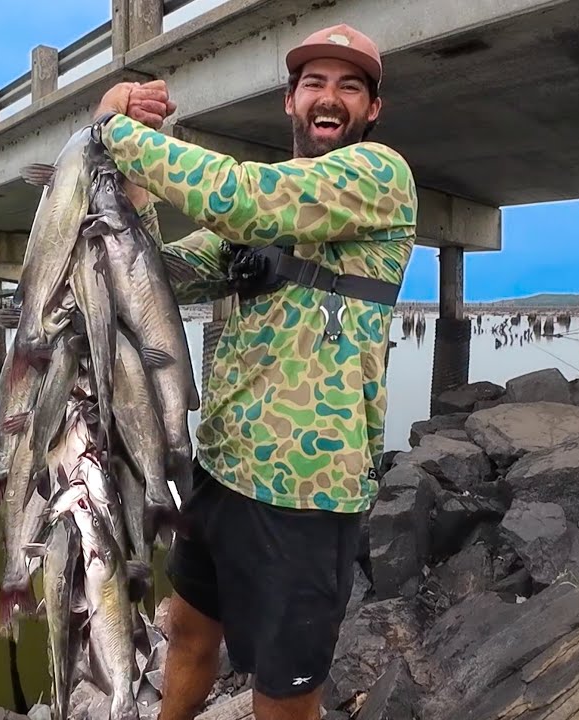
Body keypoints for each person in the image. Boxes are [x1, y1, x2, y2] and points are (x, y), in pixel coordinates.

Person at [90, 24, 417, 720]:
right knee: (185, 630)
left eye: (350, 86)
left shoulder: (380, 176)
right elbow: (158, 276)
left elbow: (242, 195)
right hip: (220, 471)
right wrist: (128, 199)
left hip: (306, 493)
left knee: (284, 690)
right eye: (314, 83)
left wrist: (112, 130)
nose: (330, 98)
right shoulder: (252, 220)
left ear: (372, 110)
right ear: (290, 102)